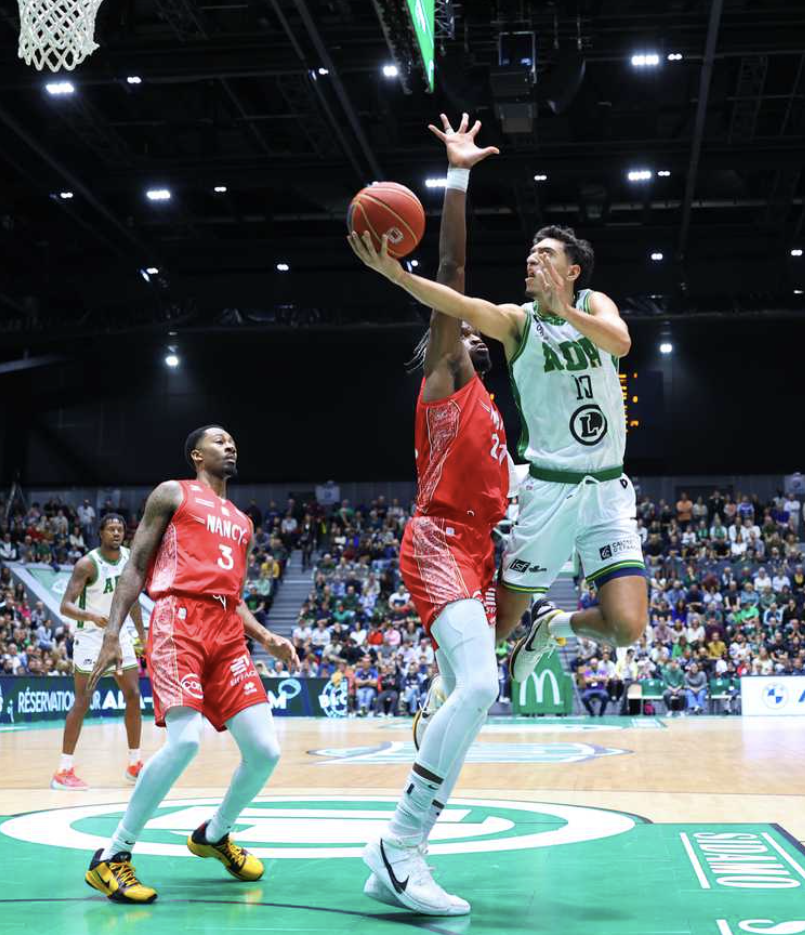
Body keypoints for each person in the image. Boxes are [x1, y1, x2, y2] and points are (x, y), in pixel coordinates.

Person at [347, 195, 648, 683]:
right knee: (500, 628)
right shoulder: (517, 321)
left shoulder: (594, 304)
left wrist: (567, 312)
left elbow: (621, 342)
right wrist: (398, 275)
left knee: (626, 627)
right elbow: (459, 304)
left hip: (607, 493)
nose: (533, 259)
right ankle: (444, 691)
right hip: (549, 493)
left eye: (546, 253)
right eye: (530, 254)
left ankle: (555, 626)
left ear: (573, 272)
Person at [352, 114, 504, 917]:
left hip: (477, 554)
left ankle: (402, 855)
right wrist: (458, 175)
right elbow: (449, 265)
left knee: (473, 703)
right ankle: (398, 843)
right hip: (439, 541)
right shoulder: (448, 372)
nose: (473, 322)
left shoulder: (495, 411)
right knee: (480, 684)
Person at [82, 426, 299, 904]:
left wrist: (265, 636)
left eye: (233, 440)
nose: (231, 445)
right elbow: (136, 564)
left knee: (265, 750)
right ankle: (112, 856)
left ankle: (214, 835)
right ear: (197, 454)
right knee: (184, 741)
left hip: (225, 632)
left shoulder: (243, 521)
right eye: (220, 440)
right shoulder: (173, 493)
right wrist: (113, 634)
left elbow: (234, 595)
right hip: (178, 618)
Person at [52, 513, 149, 789]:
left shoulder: (131, 559)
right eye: (111, 529)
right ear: (101, 533)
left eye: (120, 529)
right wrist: (91, 616)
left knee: (132, 694)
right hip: (92, 637)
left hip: (120, 634)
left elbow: (133, 602)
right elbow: (65, 605)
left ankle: (134, 764)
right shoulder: (87, 564)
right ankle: (63, 770)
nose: (116, 533)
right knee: (83, 700)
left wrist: (142, 635)